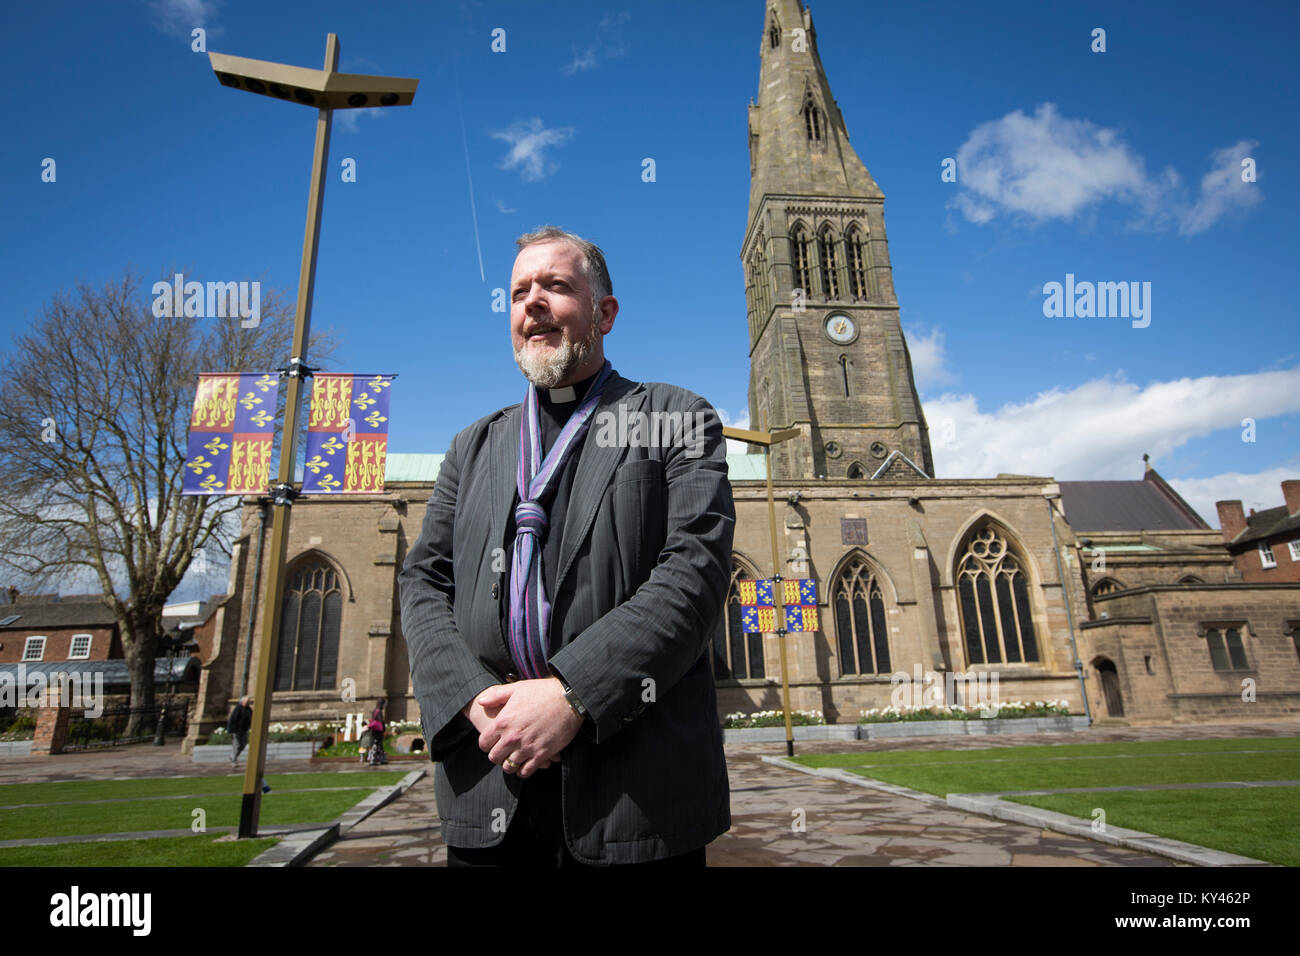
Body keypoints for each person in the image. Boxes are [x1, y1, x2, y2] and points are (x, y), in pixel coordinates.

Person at [399, 226, 735, 867]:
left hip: (636, 804)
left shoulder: (677, 417)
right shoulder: (470, 449)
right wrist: (474, 698)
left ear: (605, 312)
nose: (533, 302)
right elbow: (423, 584)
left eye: (556, 285)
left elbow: (694, 572)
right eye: (520, 290)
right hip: (489, 789)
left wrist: (573, 694)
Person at [227, 695, 252, 764]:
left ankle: (232, 756)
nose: (248, 702)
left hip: (244, 730)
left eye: (249, 701)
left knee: (243, 744)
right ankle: (234, 761)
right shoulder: (238, 709)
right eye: (247, 701)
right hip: (236, 730)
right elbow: (233, 719)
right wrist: (231, 730)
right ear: (242, 701)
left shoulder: (249, 709)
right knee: (237, 745)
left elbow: (251, 719)